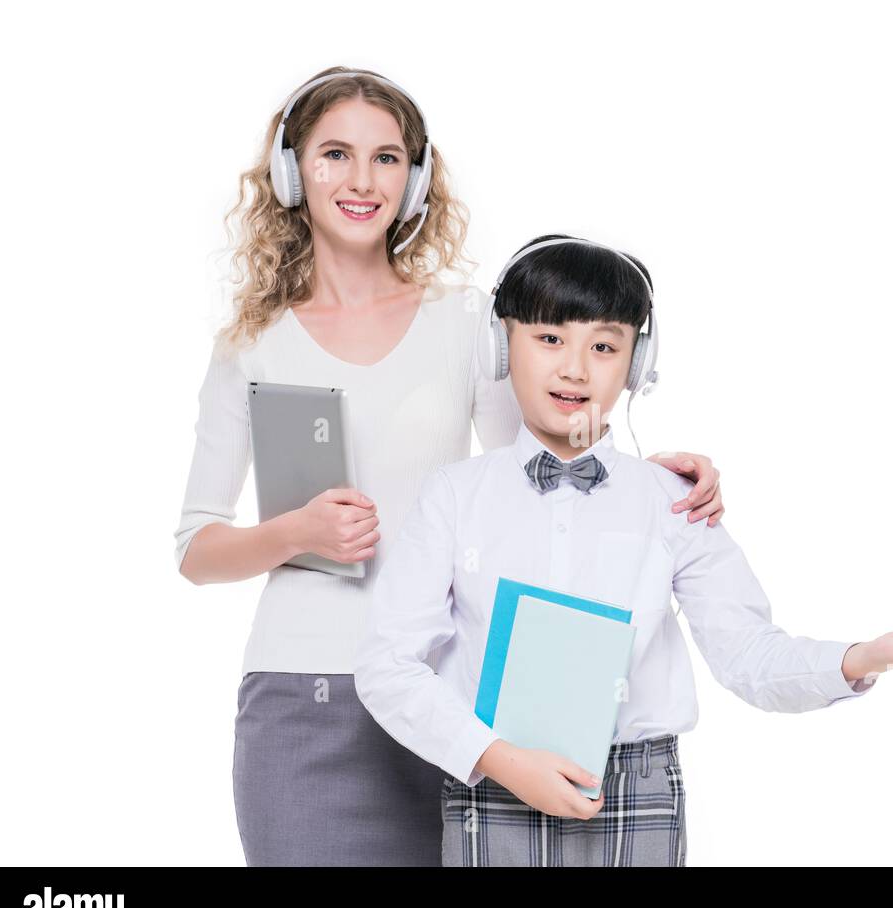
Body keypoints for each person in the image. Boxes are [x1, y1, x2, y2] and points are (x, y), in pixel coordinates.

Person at [172, 70, 727, 867]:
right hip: (305, 701)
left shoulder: (467, 322)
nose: (362, 181)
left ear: (417, 177)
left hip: (456, 705)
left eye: (387, 158)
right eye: (335, 154)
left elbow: (542, 468)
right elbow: (195, 548)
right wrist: (297, 530)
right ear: (293, 171)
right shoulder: (249, 343)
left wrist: (663, 480)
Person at [354, 234, 893, 867]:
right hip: (492, 778)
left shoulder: (673, 502)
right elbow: (388, 663)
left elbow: (748, 654)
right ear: (500, 344)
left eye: (604, 346)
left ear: (639, 364)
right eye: (549, 339)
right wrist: (497, 759)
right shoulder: (454, 497)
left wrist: (857, 657)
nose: (574, 368)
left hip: (637, 793)